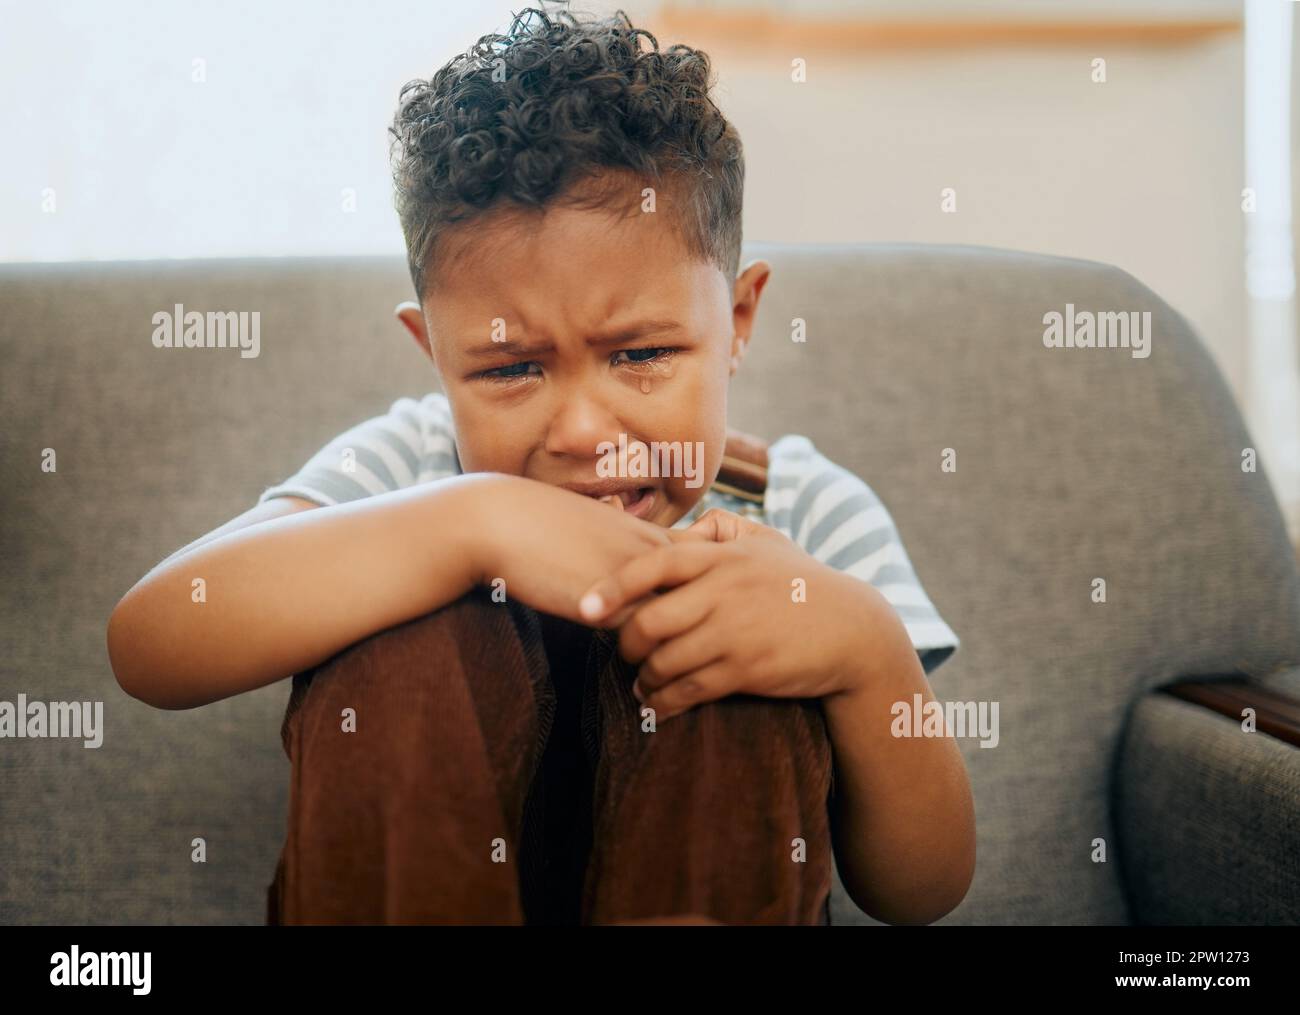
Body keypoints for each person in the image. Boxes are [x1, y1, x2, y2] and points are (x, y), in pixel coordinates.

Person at [107, 6, 972, 926]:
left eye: (640, 355)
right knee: (395, 631)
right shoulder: (410, 466)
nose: (586, 429)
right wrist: (470, 521)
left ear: (739, 322)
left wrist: (867, 655)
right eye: (512, 368)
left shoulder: (806, 507)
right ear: (434, 354)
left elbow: (923, 890)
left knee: (747, 642)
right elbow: (152, 643)